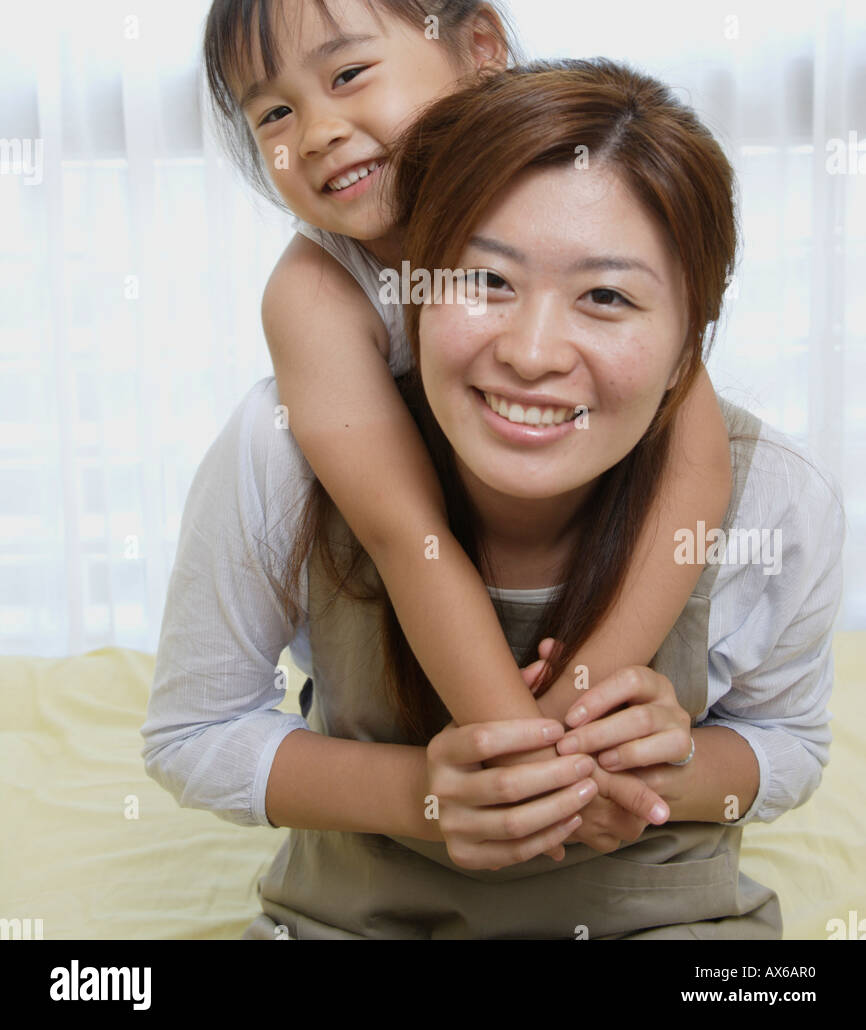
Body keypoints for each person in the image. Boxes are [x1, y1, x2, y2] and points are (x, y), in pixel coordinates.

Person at [142, 59, 843, 939]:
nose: (533, 353)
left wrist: (666, 772)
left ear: (686, 346)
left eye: (606, 296)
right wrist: (424, 796)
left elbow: (791, 747)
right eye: (487, 281)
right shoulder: (288, 452)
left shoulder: (775, 495)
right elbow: (191, 734)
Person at [198, 0, 732, 827]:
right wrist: (525, 764)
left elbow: (694, 464)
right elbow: (408, 533)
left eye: (351, 72)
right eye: (274, 112)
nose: (316, 130)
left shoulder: (572, 188)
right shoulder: (317, 291)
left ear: (479, 47)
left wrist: (582, 713)